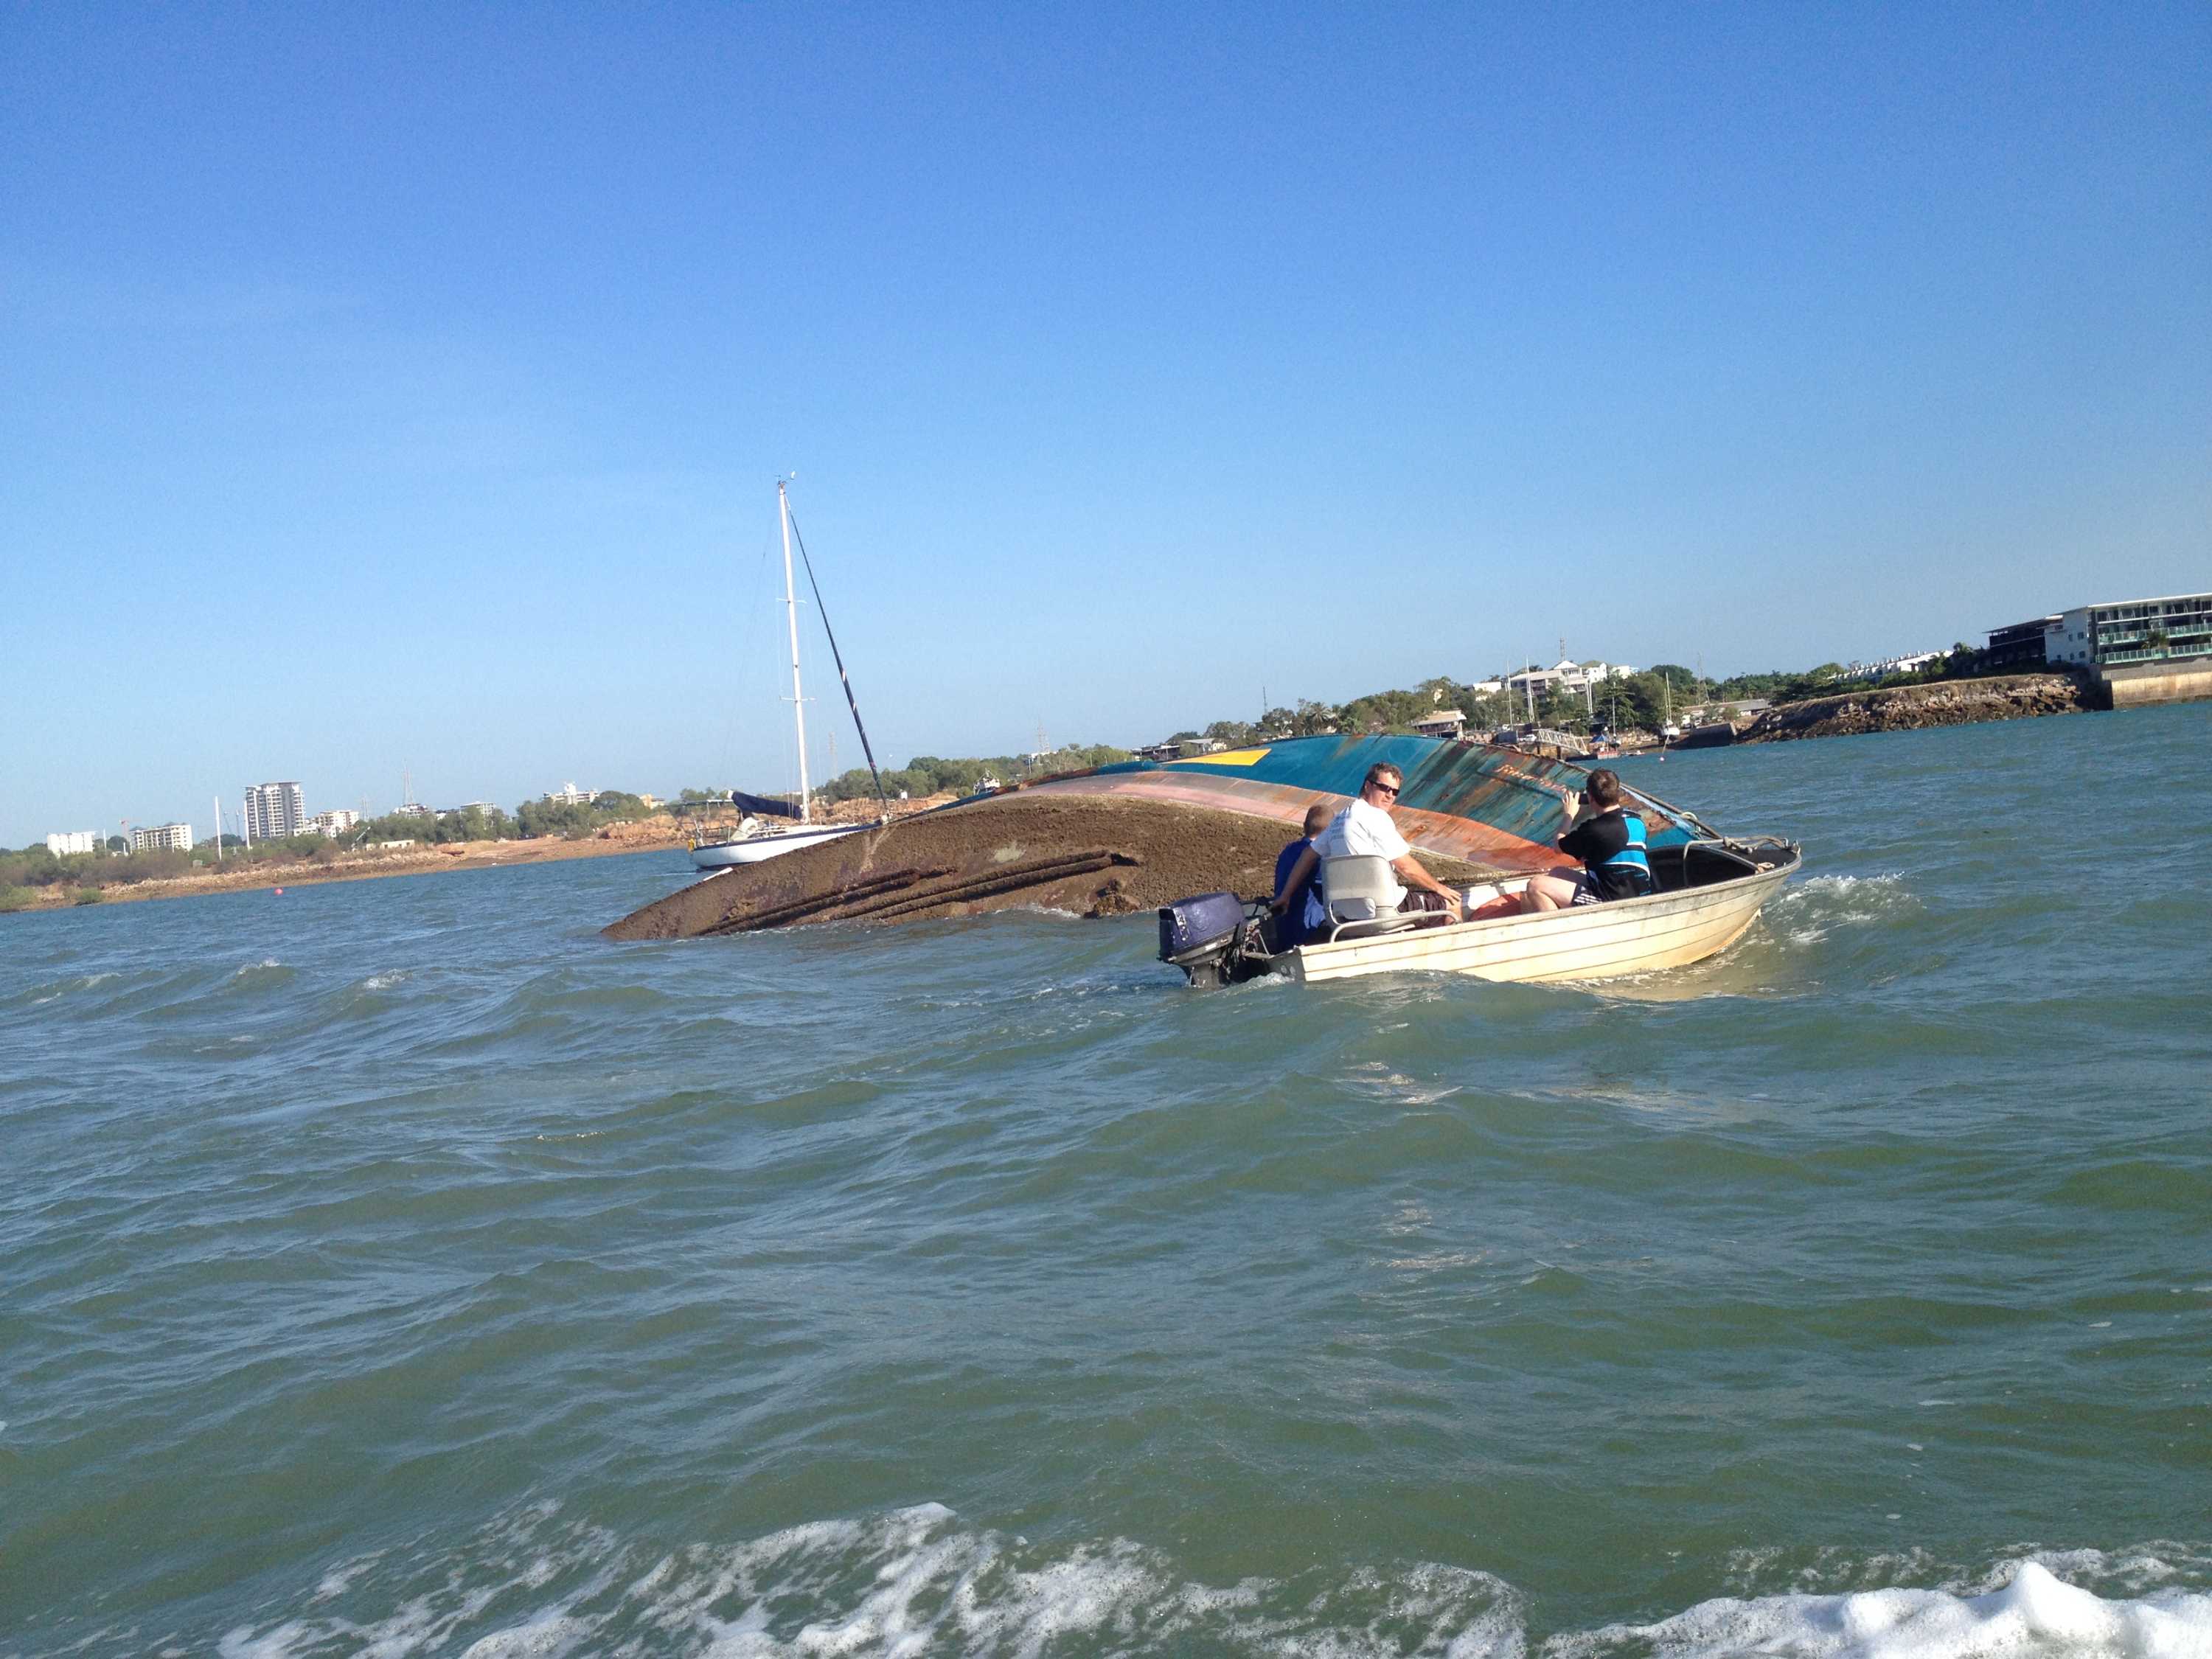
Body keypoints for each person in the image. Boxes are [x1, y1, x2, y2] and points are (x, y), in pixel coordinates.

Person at [1273, 762, 1465, 932]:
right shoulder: (1376, 817)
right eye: (1384, 788)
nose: (1390, 796)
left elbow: (1308, 854)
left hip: (1344, 918)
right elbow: (1406, 867)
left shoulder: (1339, 820)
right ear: (1367, 785)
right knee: (1451, 901)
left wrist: (1285, 896)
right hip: (1384, 912)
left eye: (1395, 791)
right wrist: (1440, 889)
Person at [1519, 768, 1652, 912]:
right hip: (1638, 894)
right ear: (1617, 793)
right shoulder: (1637, 820)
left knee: (1536, 885)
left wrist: (1569, 815)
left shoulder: (1594, 830)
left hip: (1611, 903)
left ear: (1590, 798)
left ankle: (1557, 931)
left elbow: (1558, 846)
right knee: (1558, 873)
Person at [1270, 803, 1334, 948]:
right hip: (1307, 932)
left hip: (1284, 932)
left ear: (1304, 826)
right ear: (1329, 832)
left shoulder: (1288, 850)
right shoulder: (1319, 858)